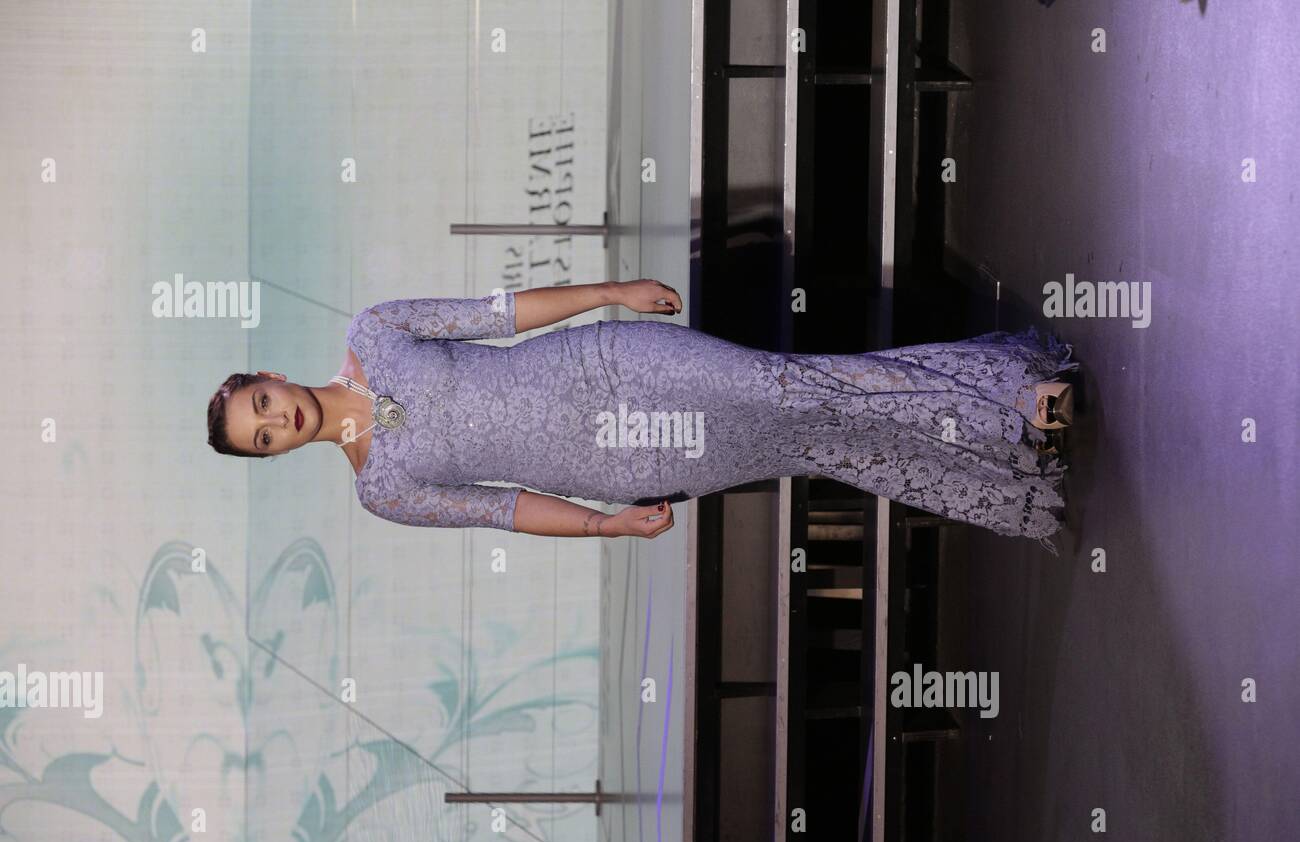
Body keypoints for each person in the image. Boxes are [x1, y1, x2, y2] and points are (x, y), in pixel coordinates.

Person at [206, 279, 1077, 545]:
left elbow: (498, 315)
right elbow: (499, 510)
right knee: (814, 441)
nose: (277, 422)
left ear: (272, 376)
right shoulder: (382, 490)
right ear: (277, 454)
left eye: (262, 404)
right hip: (619, 459)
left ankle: (1011, 401)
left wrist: (609, 293)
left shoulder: (376, 331)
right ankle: (1007, 468)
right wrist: (603, 528)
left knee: (801, 385)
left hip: (611, 363)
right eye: (264, 438)